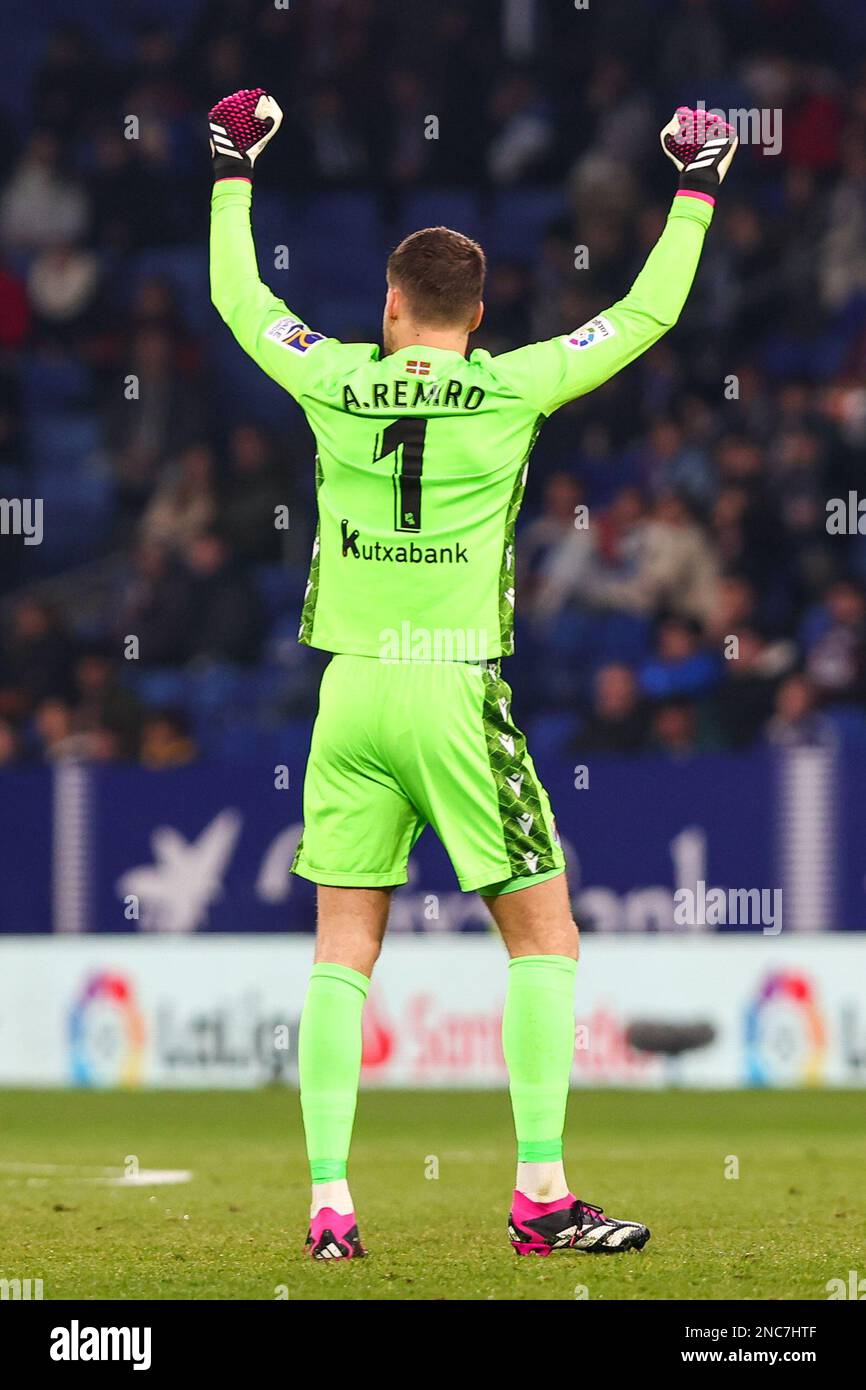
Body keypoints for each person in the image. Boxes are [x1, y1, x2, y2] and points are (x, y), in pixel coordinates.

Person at [209, 91, 737, 1260]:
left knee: (341, 951)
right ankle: (540, 1197)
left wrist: (228, 163)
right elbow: (646, 313)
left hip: (345, 692)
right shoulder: (513, 384)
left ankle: (330, 1207)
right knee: (542, 940)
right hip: (451, 689)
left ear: (390, 308)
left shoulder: (333, 378)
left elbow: (238, 300)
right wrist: (696, 181)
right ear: (478, 314)